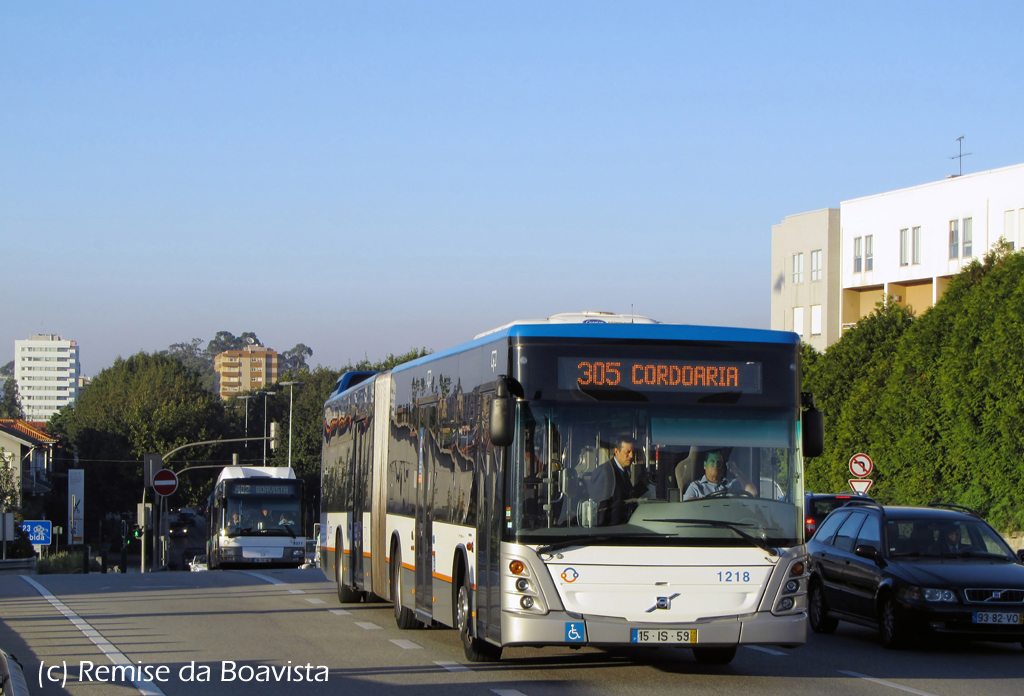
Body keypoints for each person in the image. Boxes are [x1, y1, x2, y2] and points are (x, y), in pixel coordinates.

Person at [588, 437, 647, 526]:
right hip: (609, 531)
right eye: (627, 452)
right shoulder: (604, 472)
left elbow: (626, 497)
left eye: (633, 452)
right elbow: (597, 508)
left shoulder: (623, 472)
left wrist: (644, 484)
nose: (631, 456)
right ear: (616, 451)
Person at [683, 450, 757, 500]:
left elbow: (752, 492)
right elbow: (686, 504)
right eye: (712, 461)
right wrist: (703, 500)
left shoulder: (733, 484)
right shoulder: (696, 487)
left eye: (719, 462)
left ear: (723, 466)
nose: (716, 465)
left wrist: (735, 470)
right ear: (705, 465)